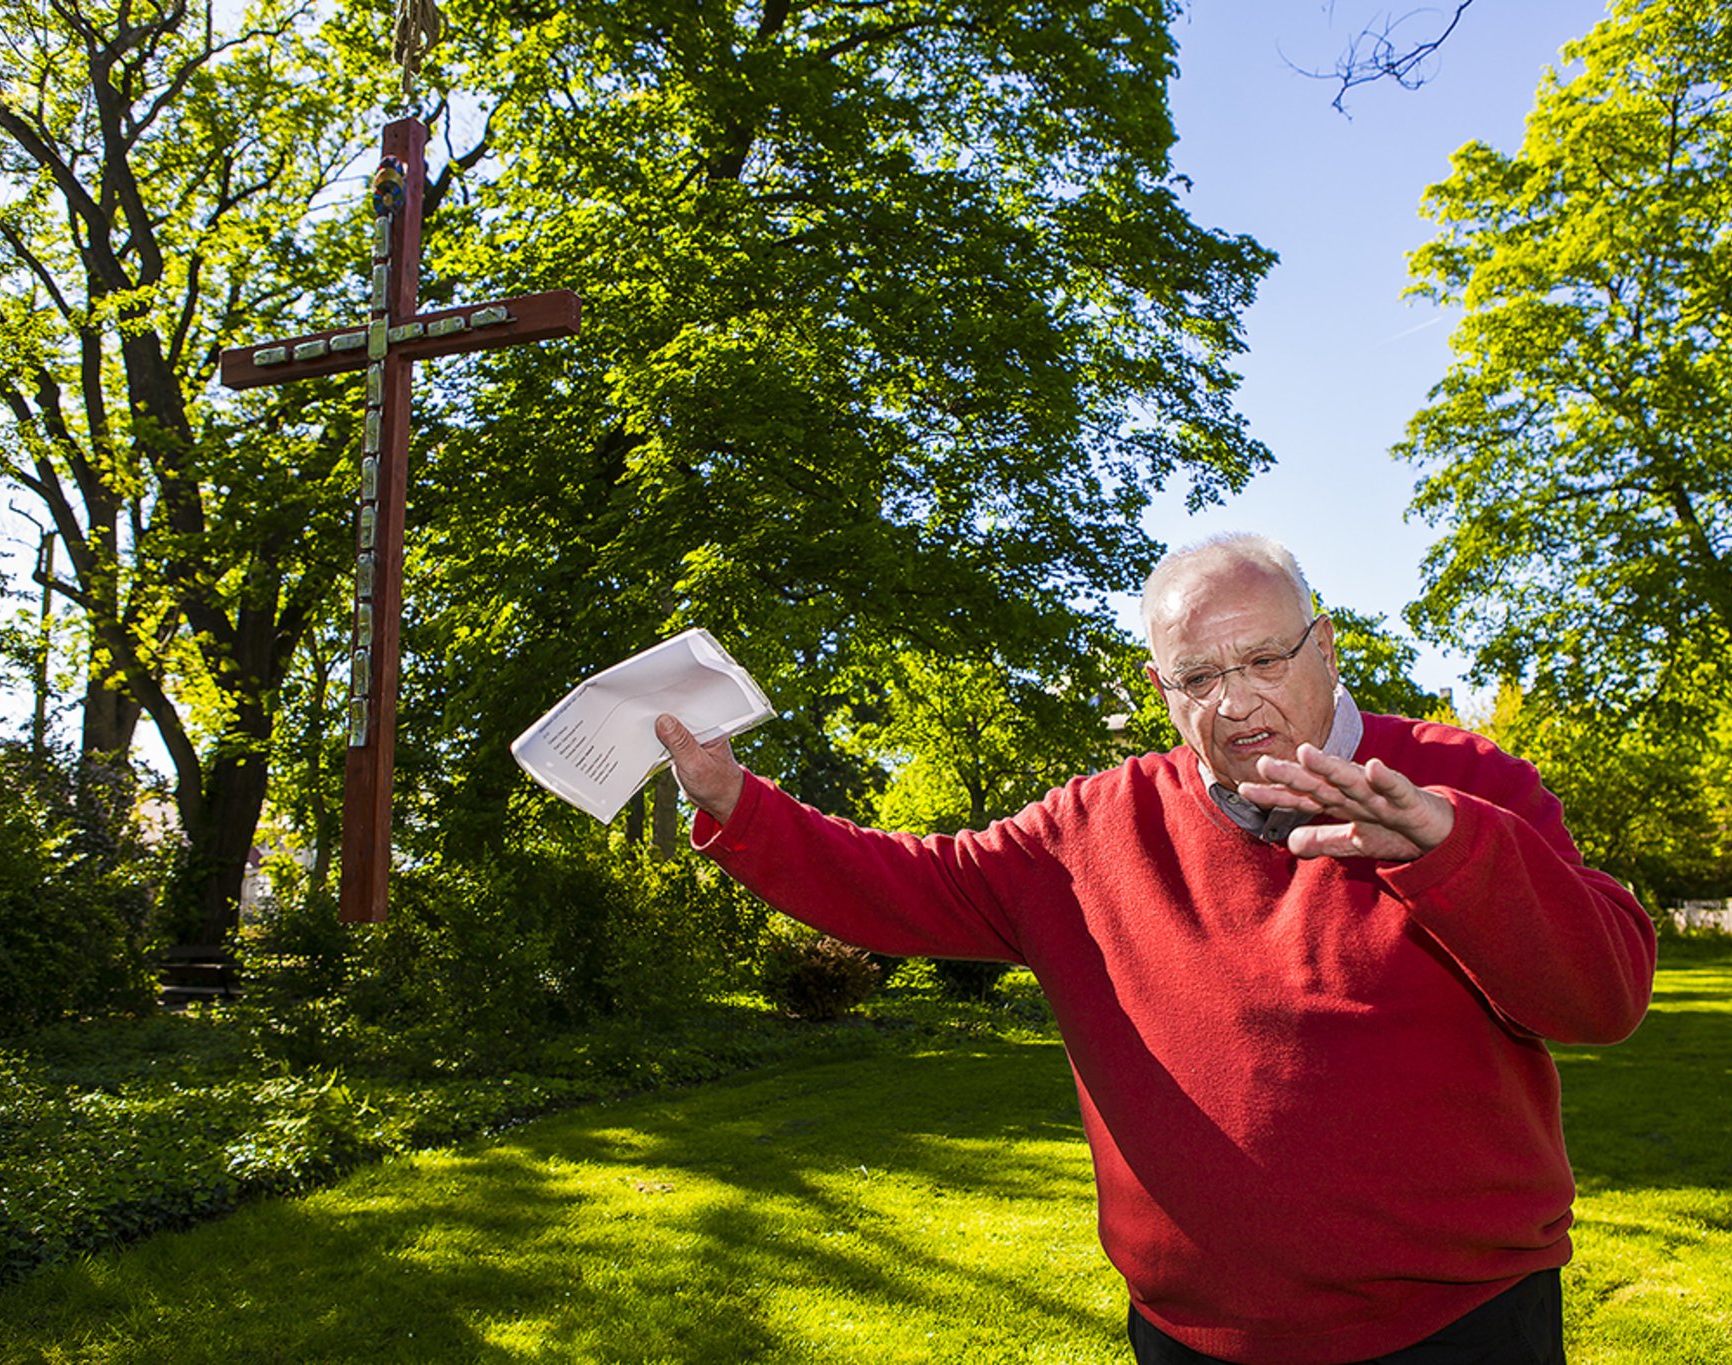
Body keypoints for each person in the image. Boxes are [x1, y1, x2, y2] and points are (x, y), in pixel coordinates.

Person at [656, 534, 1656, 1365]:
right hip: (1191, 1338)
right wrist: (736, 804)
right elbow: (907, 885)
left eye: (1264, 659)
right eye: (1198, 677)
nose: (1233, 702)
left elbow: (1599, 999)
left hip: (1455, 1326)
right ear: (1158, 687)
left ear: (1327, 648)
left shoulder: (1455, 781)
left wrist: (1448, 853)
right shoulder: (1092, 828)